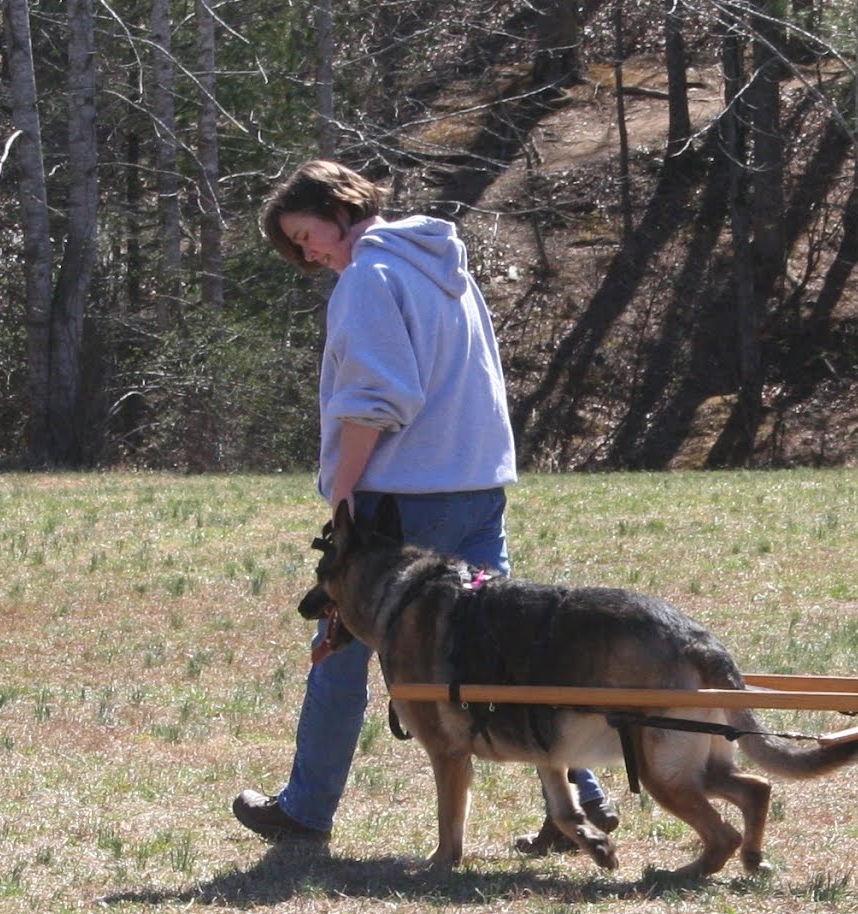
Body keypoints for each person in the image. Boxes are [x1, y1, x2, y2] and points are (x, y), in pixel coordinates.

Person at [233, 159, 616, 854]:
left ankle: (306, 809)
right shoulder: (447, 271)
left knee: (339, 652)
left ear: (341, 205)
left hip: (401, 503)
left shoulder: (367, 280)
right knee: (514, 650)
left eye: (306, 232)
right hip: (476, 487)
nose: (308, 252)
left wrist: (344, 492)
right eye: (296, 247)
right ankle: (579, 798)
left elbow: (377, 399)